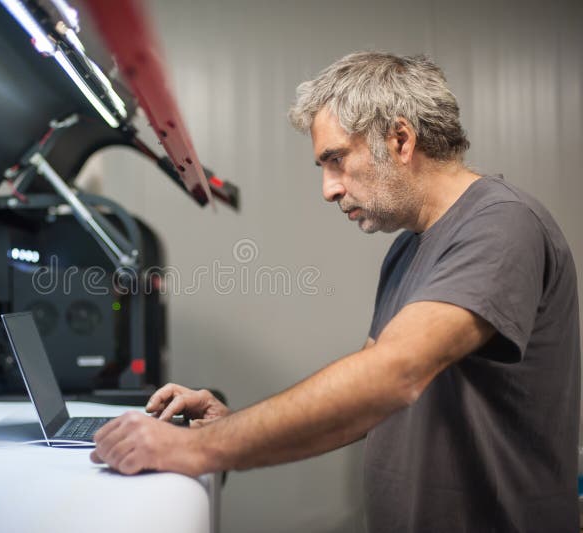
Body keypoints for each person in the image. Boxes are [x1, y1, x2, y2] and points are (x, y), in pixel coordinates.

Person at [90, 52, 580, 532]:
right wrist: (227, 425)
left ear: (402, 140)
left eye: (337, 160)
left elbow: (392, 375)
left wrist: (190, 450)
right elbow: (369, 399)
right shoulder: (409, 248)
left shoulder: (502, 223)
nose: (329, 189)